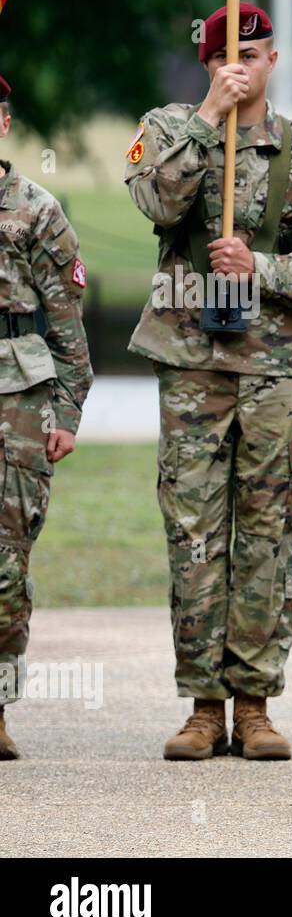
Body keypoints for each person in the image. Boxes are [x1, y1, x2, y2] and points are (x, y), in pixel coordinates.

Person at [125, 3, 292, 761]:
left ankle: (255, 703)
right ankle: (202, 704)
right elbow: (156, 201)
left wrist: (261, 269)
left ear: (274, 60)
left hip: (275, 367)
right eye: (228, 57)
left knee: (267, 533)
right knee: (195, 532)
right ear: (207, 63)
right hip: (193, 364)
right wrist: (208, 118)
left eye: (255, 55)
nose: (243, 67)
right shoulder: (169, 128)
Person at [0, 74, 94, 760]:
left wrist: (68, 409)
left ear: (3, 124)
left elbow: (66, 323)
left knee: (6, 564)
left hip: (18, 401)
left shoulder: (36, 211)